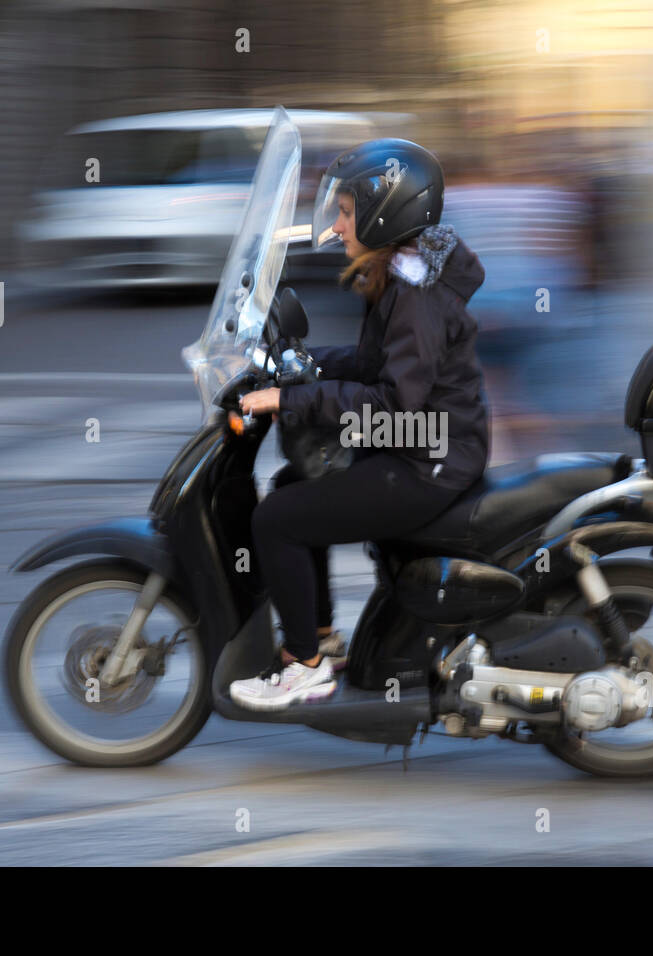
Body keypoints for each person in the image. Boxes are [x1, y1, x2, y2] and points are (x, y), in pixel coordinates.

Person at [229, 138, 491, 711]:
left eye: (346, 213)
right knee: (293, 488)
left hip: (426, 461)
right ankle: (320, 636)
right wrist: (303, 366)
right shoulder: (401, 272)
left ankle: (305, 665)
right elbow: (377, 365)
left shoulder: (415, 292)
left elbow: (396, 404)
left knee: (277, 521)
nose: (337, 227)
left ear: (384, 214)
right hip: (426, 447)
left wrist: (292, 402)